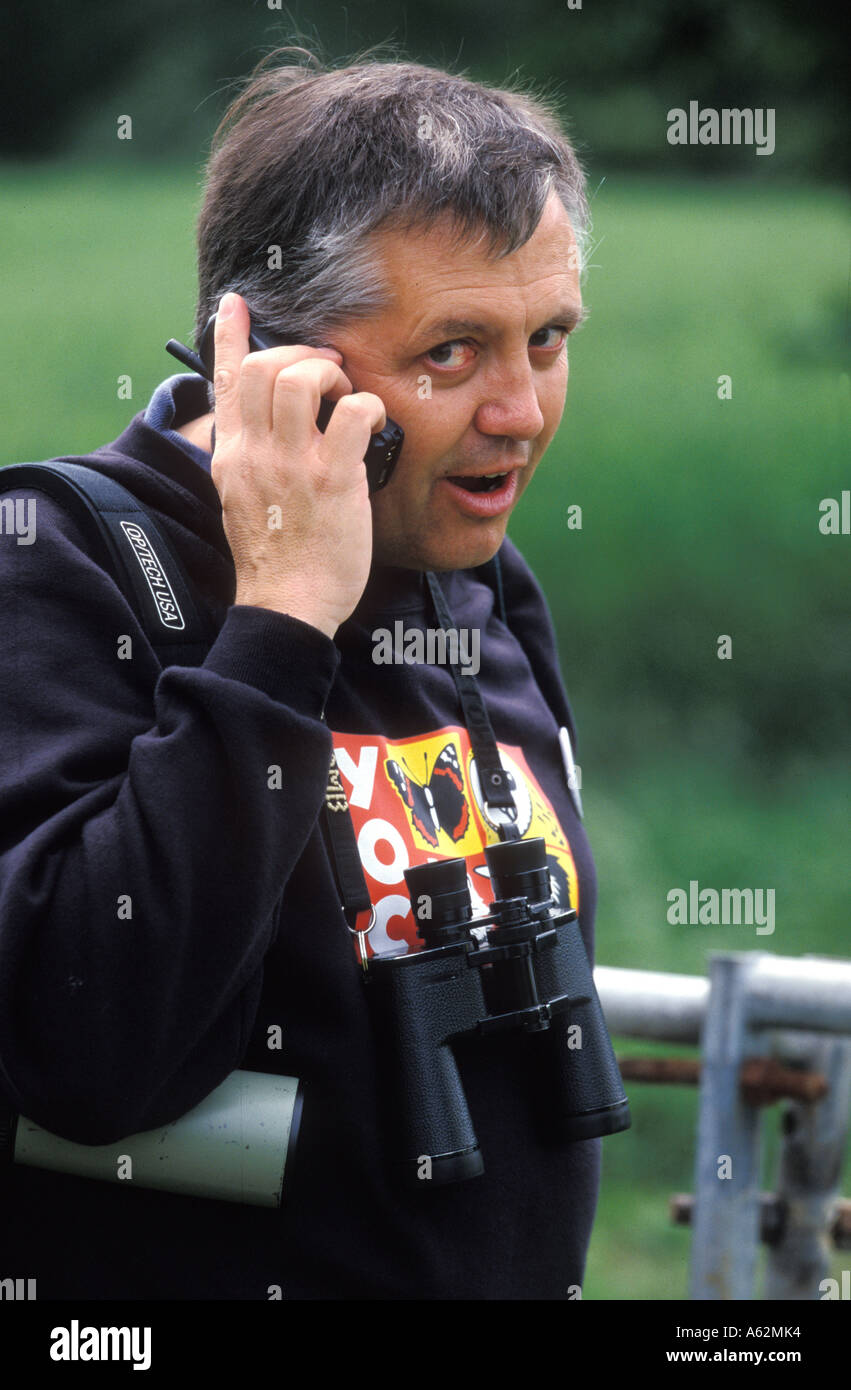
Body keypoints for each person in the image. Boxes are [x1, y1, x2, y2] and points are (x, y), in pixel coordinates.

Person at [0, 51, 604, 1299]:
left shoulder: (475, 575)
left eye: (545, 339)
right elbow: (86, 1052)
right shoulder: (62, 571)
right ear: (267, 362)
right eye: (452, 350)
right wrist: (279, 619)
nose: (520, 410)